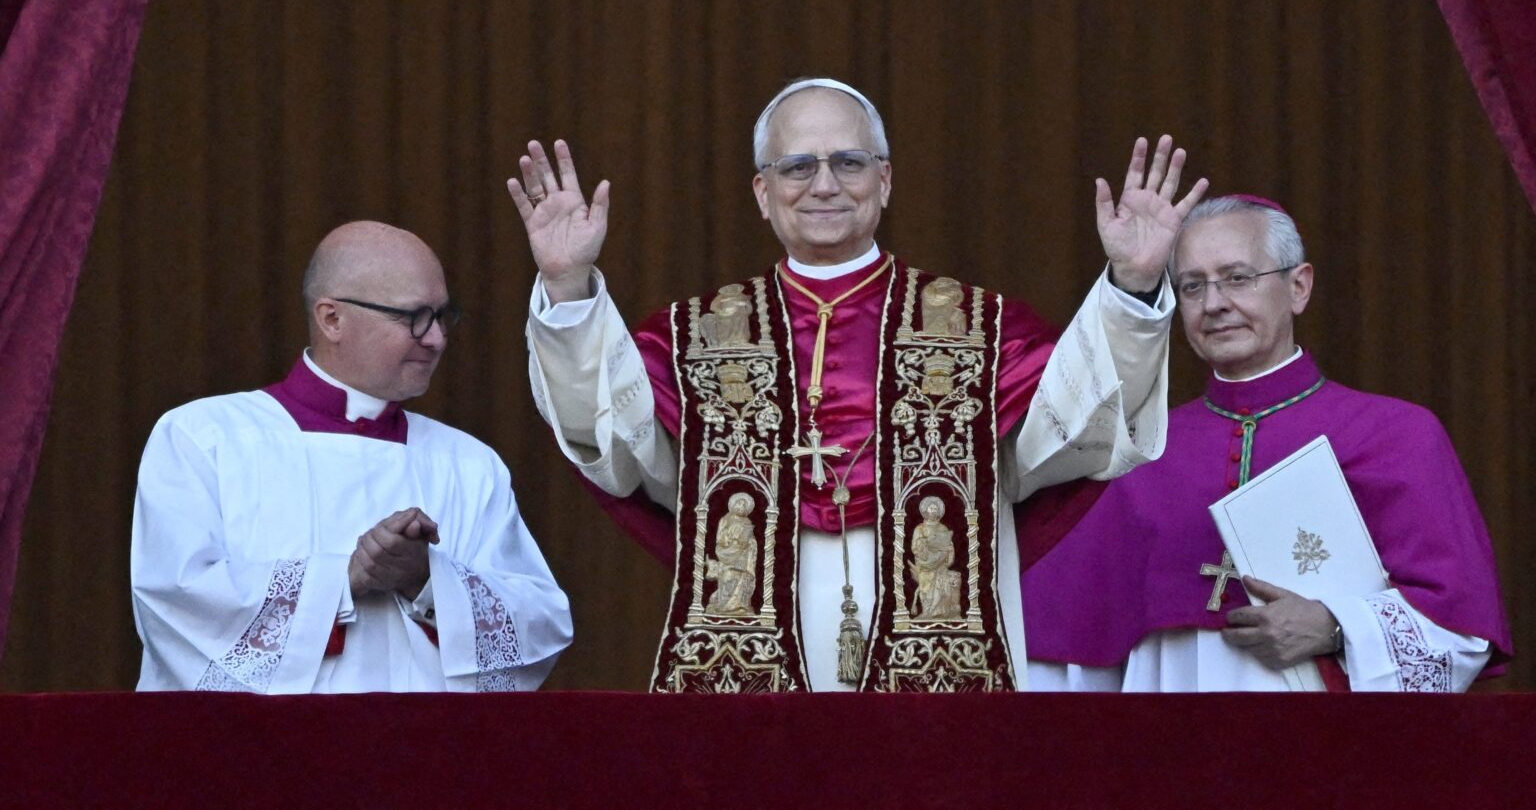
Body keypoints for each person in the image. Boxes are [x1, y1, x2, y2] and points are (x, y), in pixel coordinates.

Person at [515, 77, 1208, 692]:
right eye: (798, 166)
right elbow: (611, 441)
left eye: (848, 162)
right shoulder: (694, 339)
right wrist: (567, 287)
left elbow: (1081, 425)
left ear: (885, 181)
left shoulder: (980, 330)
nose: (824, 184)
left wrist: (1132, 285)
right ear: (762, 193)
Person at [1022, 195, 1511, 692]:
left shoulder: (1396, 434)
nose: (1214, 303)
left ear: (1298, 287)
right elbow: (1065, 644)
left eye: (1237, 278)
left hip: (1330, 734)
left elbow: (1459, 631)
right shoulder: (1141, 452)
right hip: (1169, 731)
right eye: (1193, 286)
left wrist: (1335, 627)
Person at [132, 220, 572, 693]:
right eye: (414, 317)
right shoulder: (205, 438)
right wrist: (342, 579)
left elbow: (540, 625)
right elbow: (174, 601)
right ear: (332, 319)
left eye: (443, 316)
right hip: (261, 738)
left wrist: (427, 581)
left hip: (426, 737)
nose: (436, 339)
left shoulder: (468, 464)